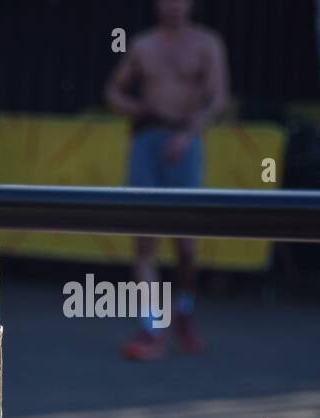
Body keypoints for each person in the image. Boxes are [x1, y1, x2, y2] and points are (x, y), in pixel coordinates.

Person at [105, 0, 229, 360]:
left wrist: (189, 133)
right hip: (147, 141)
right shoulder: (143, 45)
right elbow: (113, 90)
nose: (173, 6)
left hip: (184, 141)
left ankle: (184, 309)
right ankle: (150, 326)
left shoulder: (208, 44)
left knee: (186, 243)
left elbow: (219, 99)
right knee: (144, 238)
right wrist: (135, 108)